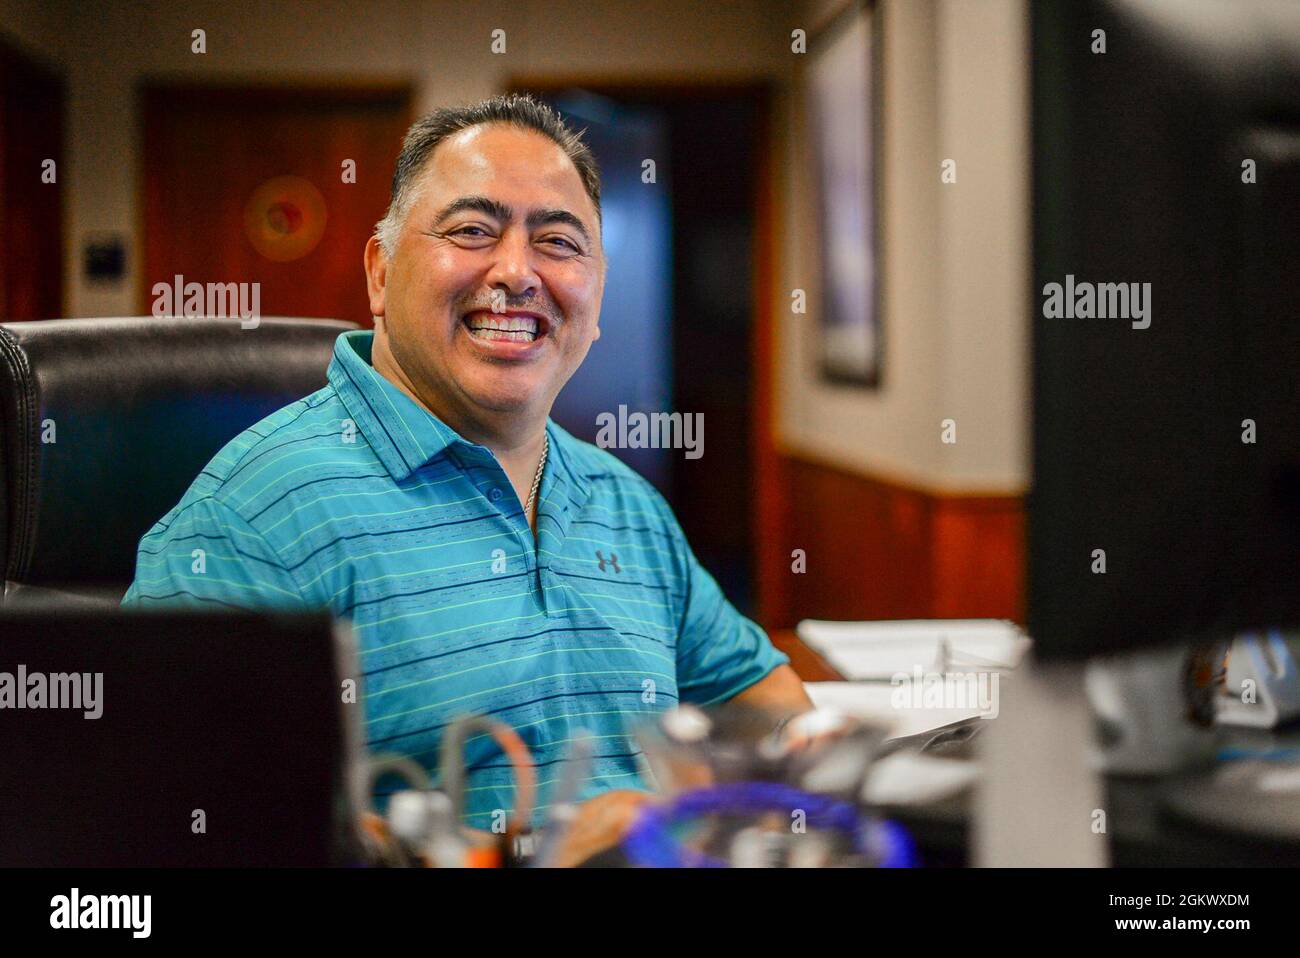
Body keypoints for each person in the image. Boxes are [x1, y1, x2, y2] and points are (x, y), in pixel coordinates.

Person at [124, 93, 811, 856]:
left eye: (558, 242)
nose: (516, 273)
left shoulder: (627, 504)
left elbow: (768, 703)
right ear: (381, 274)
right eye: (473, 231)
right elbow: (166, 829)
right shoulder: (250, 520)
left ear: (597, 293)